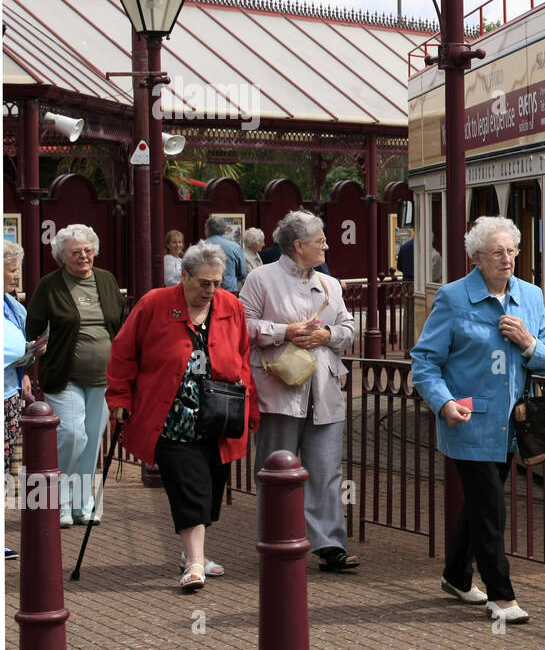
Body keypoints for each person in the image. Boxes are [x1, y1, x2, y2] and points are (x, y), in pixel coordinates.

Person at [411, 215, 545, 625]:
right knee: (491, 510)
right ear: (476, 257)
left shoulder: (530, 296)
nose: (508, 258)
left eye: (512, 250)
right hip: (469, 422)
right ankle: (502, 595)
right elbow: (425, 361)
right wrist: (443, 403)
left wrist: (530, 343)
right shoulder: (453, 297)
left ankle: (456, 576)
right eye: (498, 252)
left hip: (514, 425)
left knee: (481, 504)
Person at [106, 243, 257, 591]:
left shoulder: (230, 306)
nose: (211, 290)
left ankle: (194, 552)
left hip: (219, 416)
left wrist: (251, 406)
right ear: (184, 275)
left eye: (217, 283)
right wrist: (119, 397)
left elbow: (243, 355)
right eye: (204, 283)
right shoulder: (155, 304)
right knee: (189, 487)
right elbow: (123, 353)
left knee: (211, 488)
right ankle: (194, 564)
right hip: (172, 417)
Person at [240, 210, 358, 571]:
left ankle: (329, 545)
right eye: (320, 239)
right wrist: (284, 332)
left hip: (324, 390)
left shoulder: (330, 284)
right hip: (278, 389)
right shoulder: (260, 279)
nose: (327, 244)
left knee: (326, 472)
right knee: (274, 469)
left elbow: (349, 329)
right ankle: (275, 539)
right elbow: (241, 327)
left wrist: (328, 336)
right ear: (298, 245)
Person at [25, 224, 125, 526]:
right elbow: (33, 328)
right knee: (71, 435)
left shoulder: (106, 281)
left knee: (92, 440)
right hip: (64, 375)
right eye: (76, 252)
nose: (83, 256)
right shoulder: (50, 285)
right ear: (62, 257)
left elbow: (119, 325)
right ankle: (60, 500)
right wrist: (30, 362)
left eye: (87, 250)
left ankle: (83, 504)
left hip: (103, 378)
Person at [5, 241, 45, 558]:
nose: (17, 276)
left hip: (10, 397)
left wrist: (29, 356)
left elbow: (20, 347)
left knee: (4, 468)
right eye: (12, 269)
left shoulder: (13, 306)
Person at [204, 215, 246, 293]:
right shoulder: (235, 247)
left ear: (207, 230)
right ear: (224, 230)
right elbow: (242, 273)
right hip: (229, 292)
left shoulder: (199, 247)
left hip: (205, 291)